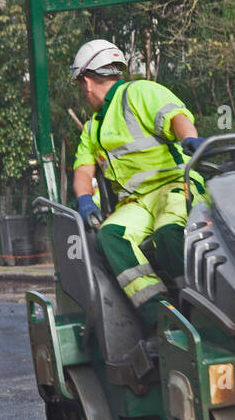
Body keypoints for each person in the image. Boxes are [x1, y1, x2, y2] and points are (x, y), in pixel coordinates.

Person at [70, 39, 205, 326]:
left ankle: (199, 308)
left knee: (168, 233)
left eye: (81, 86)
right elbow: (84, 170)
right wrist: (84, 200)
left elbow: (175, 116)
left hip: (175, 185)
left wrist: (189, 139)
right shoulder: (93, 127)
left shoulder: (139, 92)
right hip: (137, 201)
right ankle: (160, 317)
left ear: (86, 81)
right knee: (110, 236)